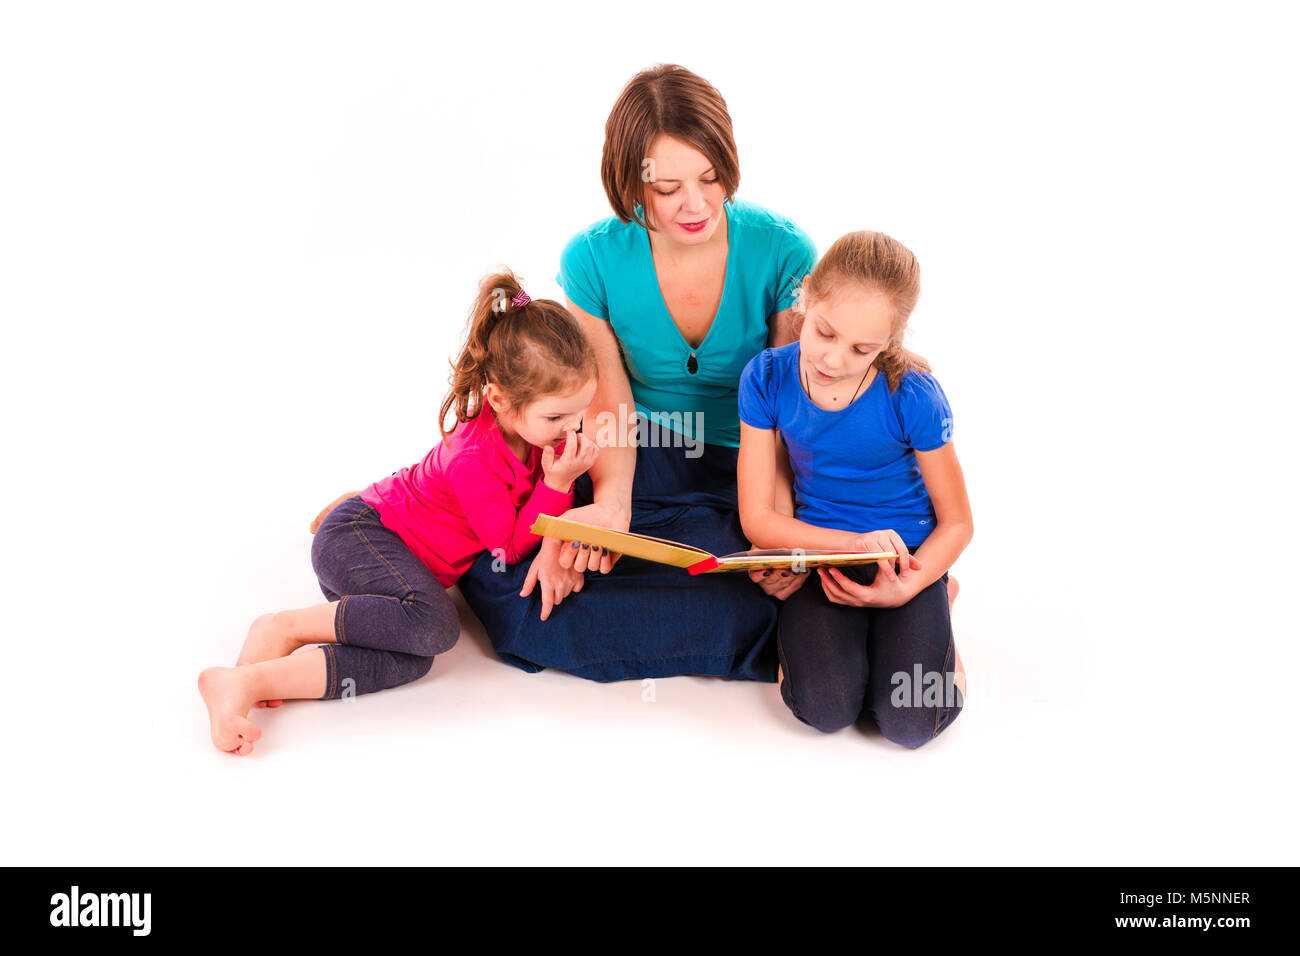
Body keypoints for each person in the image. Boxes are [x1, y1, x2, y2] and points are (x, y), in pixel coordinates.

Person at [446, 64, 819, 681]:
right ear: (631, 182)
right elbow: (606, 402)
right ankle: (416, 519)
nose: (696, 204)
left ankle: (801, 625)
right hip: (633, 453)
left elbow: (790, 407)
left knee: (761, 577)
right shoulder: (592, 259)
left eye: (710, 177)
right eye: (668, 187)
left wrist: (774, 524)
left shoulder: (784, 251)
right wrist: (612, 508)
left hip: (749, 463)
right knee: (529, 583)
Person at [198, 271, 599, 754]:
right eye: (556, 418)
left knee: (414, 659)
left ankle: (251, 682)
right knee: (436, 626)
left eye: (578, 414)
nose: (570, 429)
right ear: (499, 400)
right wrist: (558, 484)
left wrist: (561, 487)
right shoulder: (476, 457)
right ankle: (283, 627)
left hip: (383, 587)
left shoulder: (537, 436)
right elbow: (509, 547)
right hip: (360, 540)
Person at [736, 231, 972, 747]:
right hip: (825, 553)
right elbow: (757, 518)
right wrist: (848, 546)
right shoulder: (765, 378)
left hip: (905, 558)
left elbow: (957, 522)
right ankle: (873, 646)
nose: (834, 359)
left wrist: (913, 584)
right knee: (824, 708)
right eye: (824, 332)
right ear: (806, 299)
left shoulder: (913, 395)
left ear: (890, 342)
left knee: (910, 723)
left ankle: (939, 601)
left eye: (862, 348)